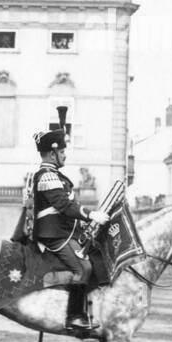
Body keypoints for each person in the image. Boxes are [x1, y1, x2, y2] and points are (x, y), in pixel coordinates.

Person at [31, 127, 108, 331]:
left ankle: (90, 309)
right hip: (54, 235)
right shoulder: (47, 176)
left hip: (64, 232)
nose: (65, 155)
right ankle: (73, 317)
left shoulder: (55, 175)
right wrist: (91, 215)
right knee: (83, 268)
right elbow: (64, 206)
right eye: (62, 151)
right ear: (52, 153)